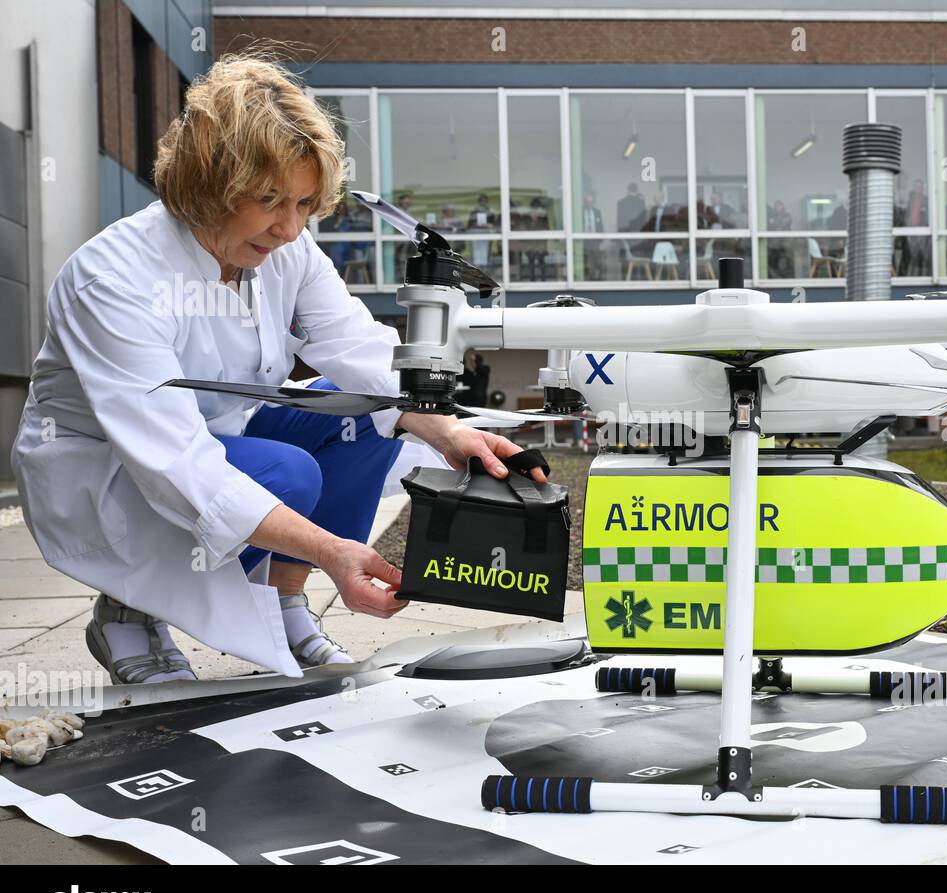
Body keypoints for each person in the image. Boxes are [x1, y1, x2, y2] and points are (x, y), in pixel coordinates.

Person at [9, 53, 545, 685]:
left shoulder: (285, 248)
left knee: (368, 415)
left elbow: (357, 348)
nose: (291, 228)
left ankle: (286, 601)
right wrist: (331, 552)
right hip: (111, 465)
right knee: (285, 471)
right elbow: (175, 462)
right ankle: (131, 607)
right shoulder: (115, 279)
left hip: (215, 435)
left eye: (304, 203)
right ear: (206, 183)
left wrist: (449, 430)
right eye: (269, 201)